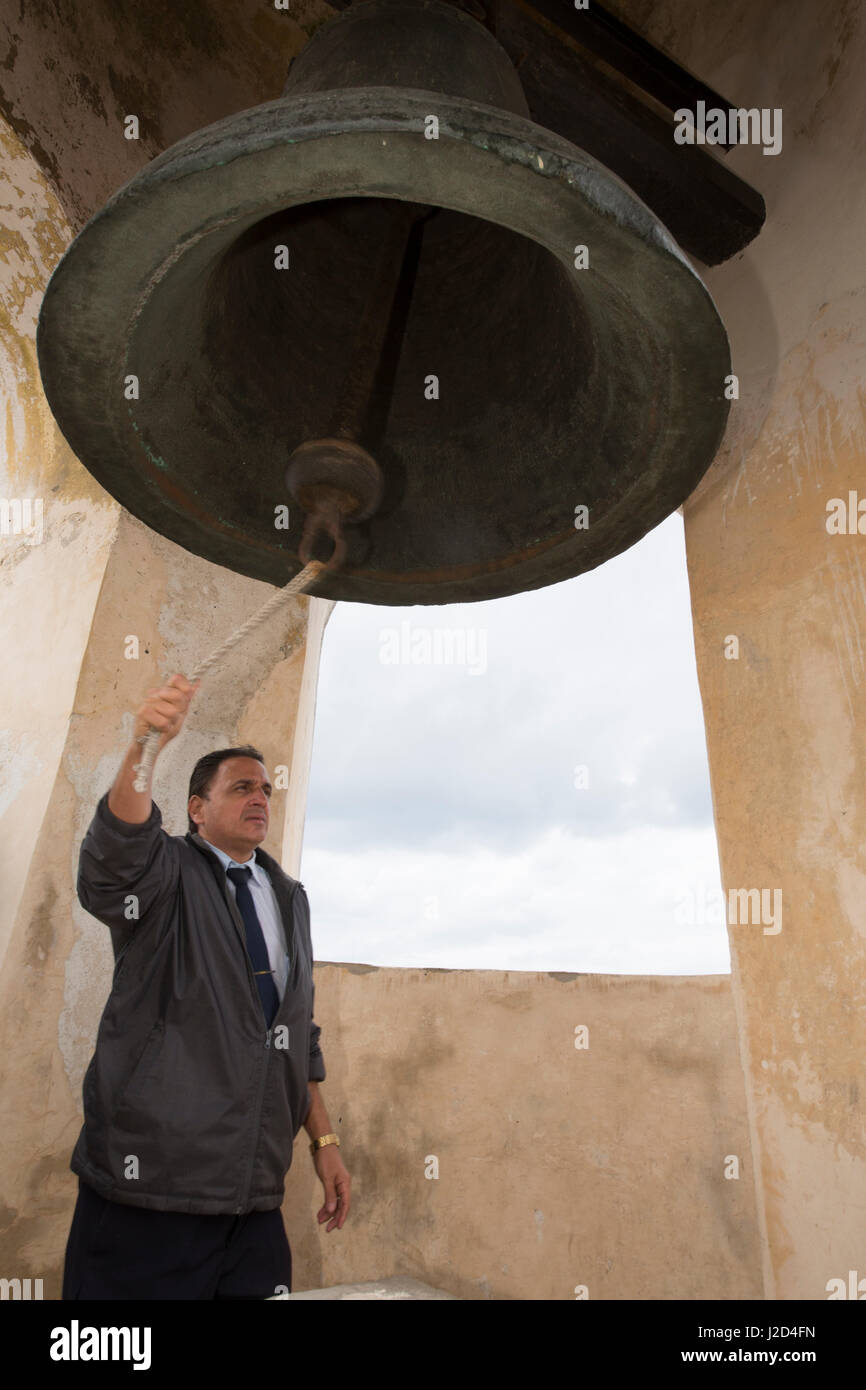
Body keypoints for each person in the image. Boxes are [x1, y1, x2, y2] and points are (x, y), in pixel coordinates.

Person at [61, 673, 351, 1299]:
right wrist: (146, 746)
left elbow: (298, 1036)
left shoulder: (289, 899)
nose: (260, 798)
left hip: (253, 1200)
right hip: (150, 1194)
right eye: (242, 787)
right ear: (197, 809)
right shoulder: (164, 876)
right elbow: (112, 865)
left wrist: (323, 1142)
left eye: (267, 789)